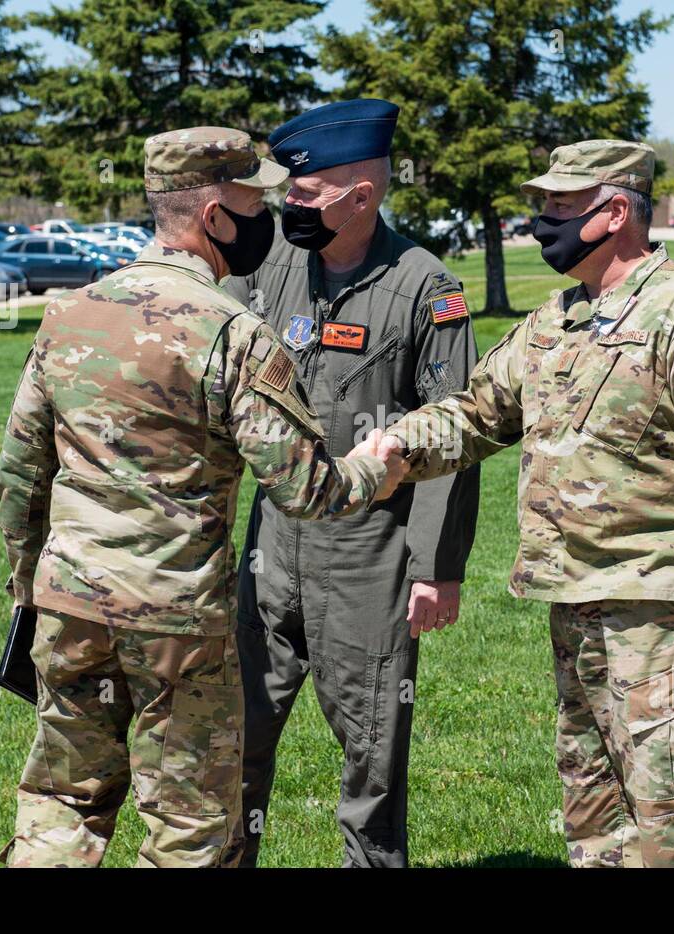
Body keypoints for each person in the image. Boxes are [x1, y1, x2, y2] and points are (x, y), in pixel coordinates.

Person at [0, 126, 403, 868]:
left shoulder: (69, 312)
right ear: (215, 217)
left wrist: (29, 589)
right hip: (176, 620)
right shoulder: (234, 333)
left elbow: (21, 476)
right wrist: (379, 467)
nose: (270, 222)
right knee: (189, 827)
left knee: (63, 799)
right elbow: (306, 490)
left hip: (71, 605)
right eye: (256, 202)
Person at [379, 140, 674, 867]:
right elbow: (473, 416)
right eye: (544, 207)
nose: (543, 222)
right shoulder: (555, 322)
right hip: (576, 612)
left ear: (616, 211)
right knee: (596, 828)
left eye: (560, 208)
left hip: (667, 618)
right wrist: (384, 451)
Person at [225, 98, 480, 867]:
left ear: (360, 197)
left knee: (371, 755)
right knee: (234, 738)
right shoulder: (266, 269)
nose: (285, 207)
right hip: (270, 543)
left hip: (369, 555)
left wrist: (436, 569)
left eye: (303, 196)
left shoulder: (424, 288)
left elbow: (454, 430)